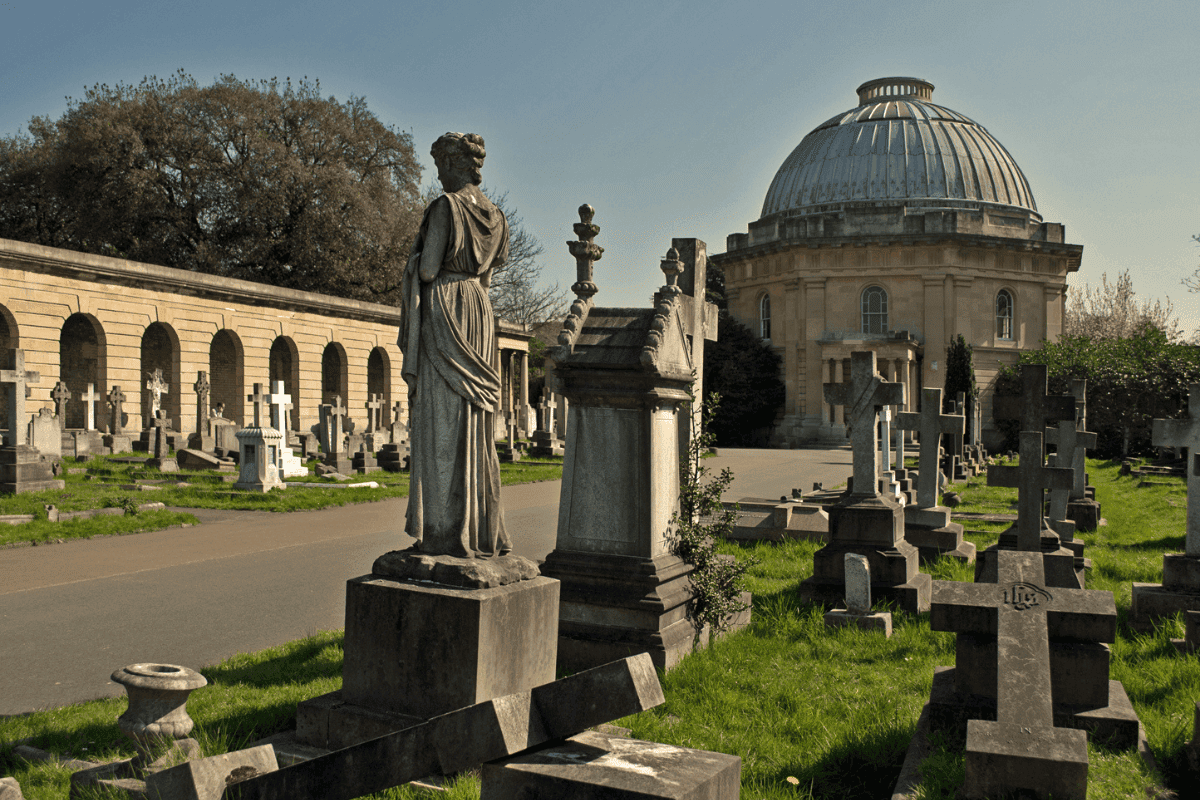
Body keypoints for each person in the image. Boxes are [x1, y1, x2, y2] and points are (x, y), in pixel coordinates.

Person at [398, 132, 510, 557]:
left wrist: (413, 259)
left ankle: (445, 533)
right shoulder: (497, 216)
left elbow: (427, 270)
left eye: (442, 165)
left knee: (442, 423)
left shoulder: (447, 207)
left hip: (445, 308)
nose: (438, 173)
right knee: (475, 423)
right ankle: (479, 529)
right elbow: (487, 277)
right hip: (479, 311)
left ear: (456, 164)